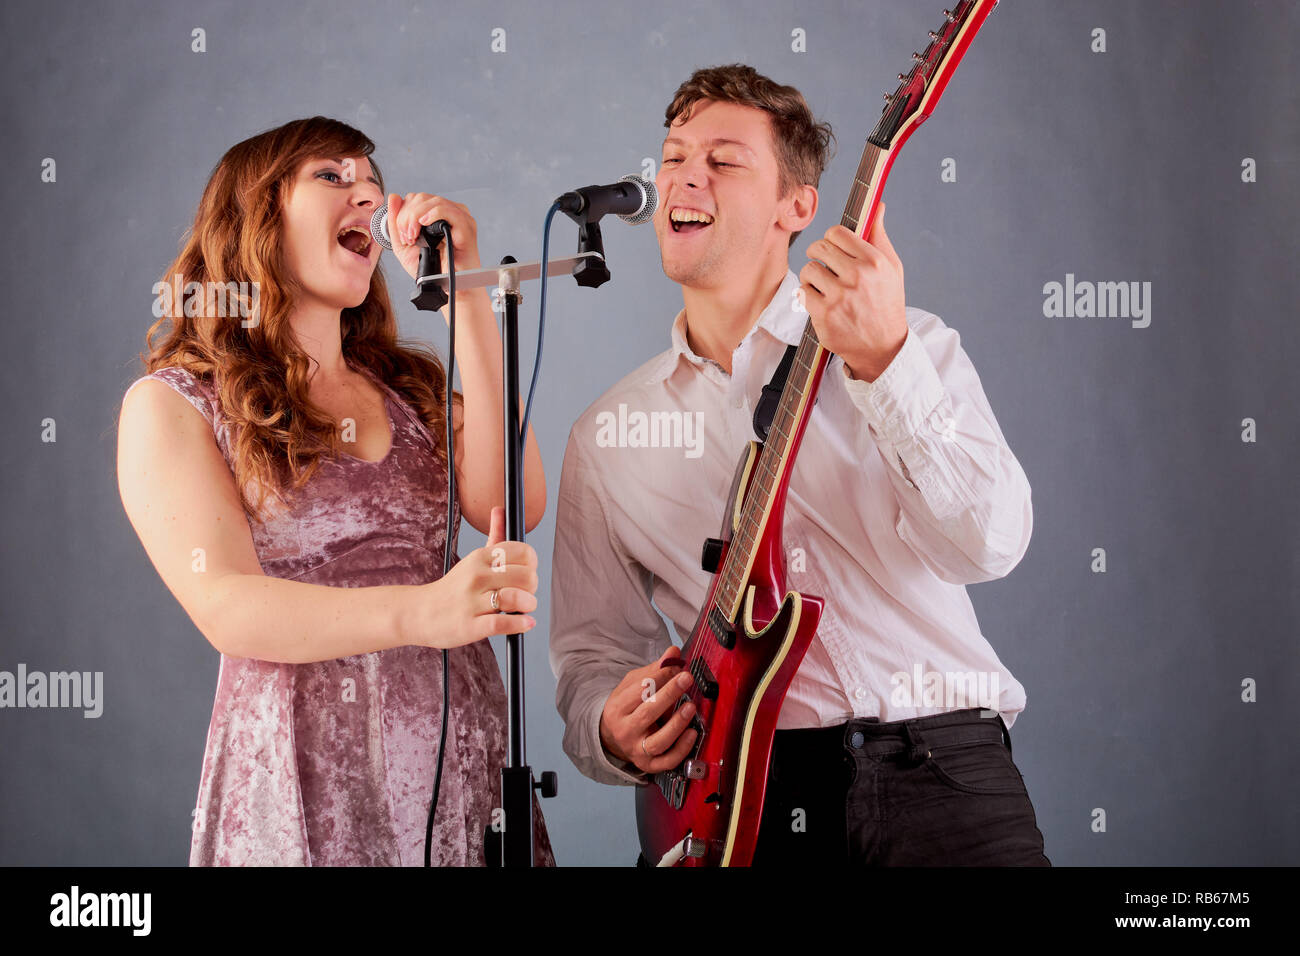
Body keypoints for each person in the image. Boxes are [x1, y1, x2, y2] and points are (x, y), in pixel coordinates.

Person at [549, 65, 1049, 865]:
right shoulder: (606, 436)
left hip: (946, 778)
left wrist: (886, 363)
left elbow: (990, 543)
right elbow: (592, 657)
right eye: (673, 156)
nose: (685, 175)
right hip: (750, 801)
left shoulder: (906, 343)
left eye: (724, 159)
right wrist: (610, 728)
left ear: (799, 206)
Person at [117, 116, 554, 866]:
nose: (368, 197)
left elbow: (508, 503)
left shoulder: (411, 391)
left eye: (373, 186)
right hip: (303, 783)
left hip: (461, 772)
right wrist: (424, 610)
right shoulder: (175, 403)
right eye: (333, 177)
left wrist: (465, 293)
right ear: (255, 215)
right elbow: (225, 604)